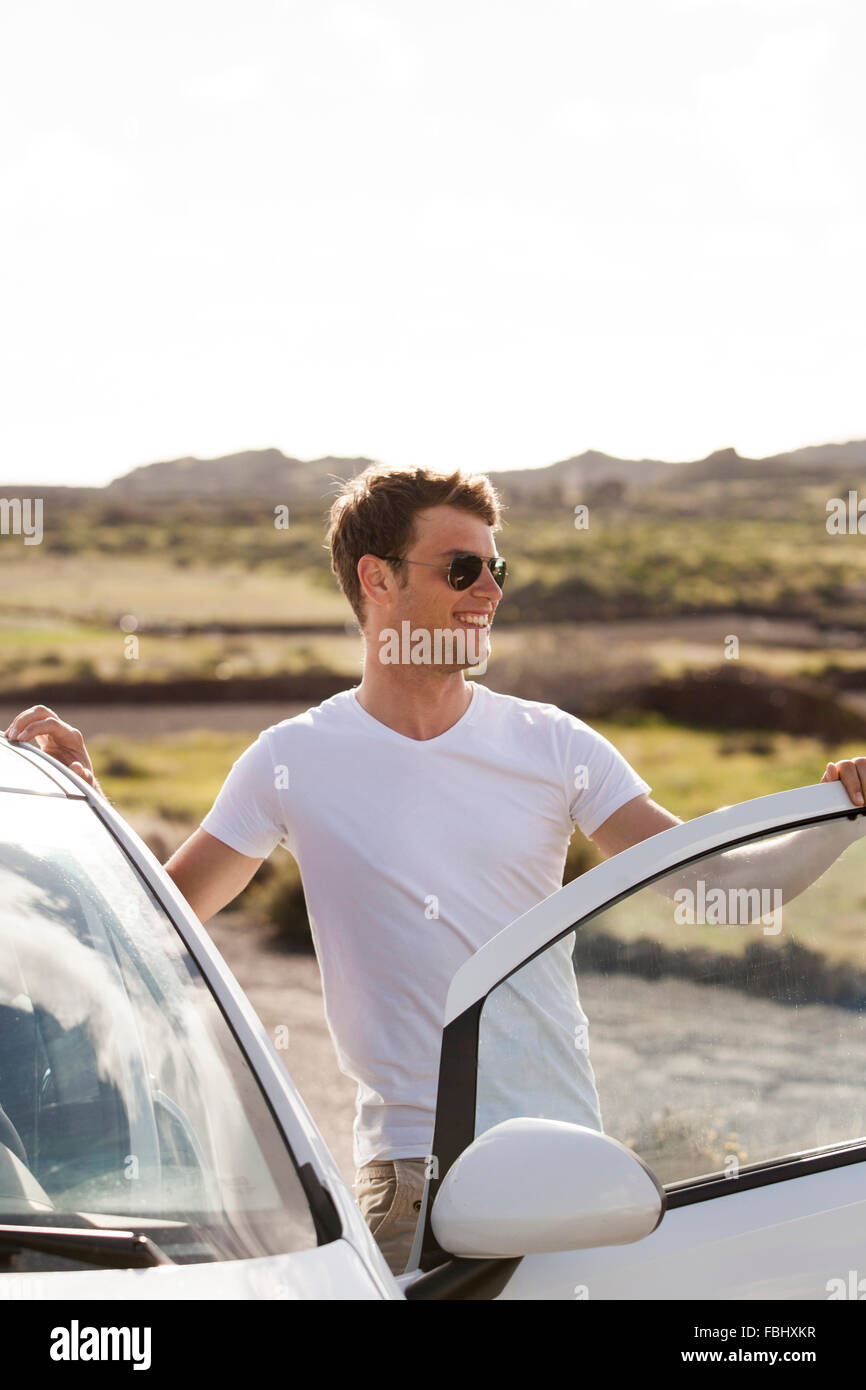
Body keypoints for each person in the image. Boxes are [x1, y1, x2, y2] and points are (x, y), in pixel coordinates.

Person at [6, 462, 866, 1278]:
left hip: (568, 1164)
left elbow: (712, 893)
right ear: (377, 581)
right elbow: (161, 922)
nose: (490, 590)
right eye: (463, 568)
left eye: (498, 568)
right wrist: (90, 805)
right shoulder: (291, 759)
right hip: (409, 1178)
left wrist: (839, 814)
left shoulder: (554, 745)